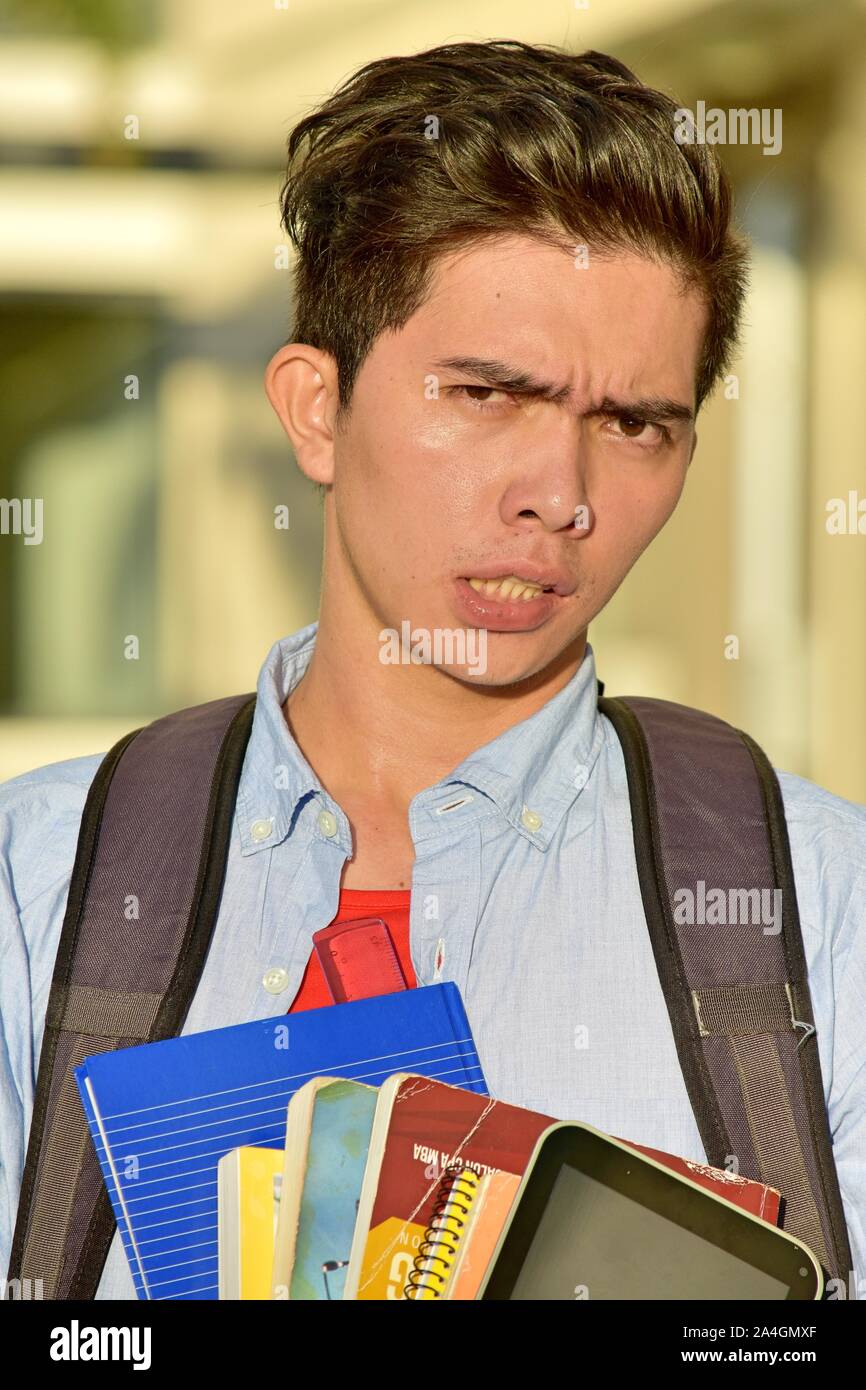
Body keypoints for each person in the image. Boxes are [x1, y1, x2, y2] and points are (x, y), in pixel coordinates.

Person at [1, 41, 864, 1301]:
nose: (558, 498)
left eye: (631, 424)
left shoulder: (818, 913)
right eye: (484, 394)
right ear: (314, 411)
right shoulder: (38, 889)